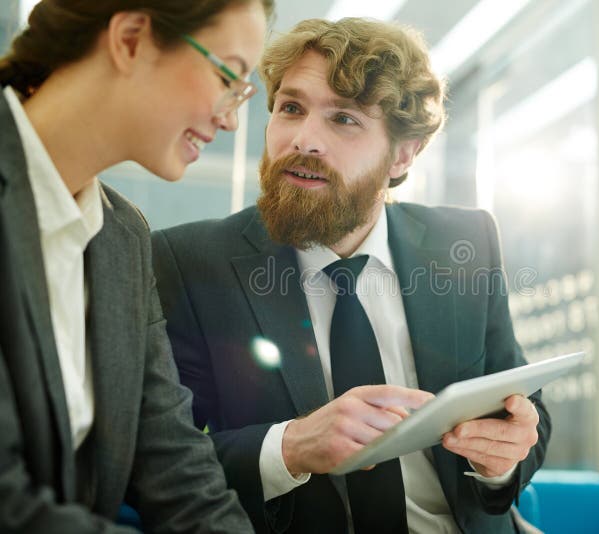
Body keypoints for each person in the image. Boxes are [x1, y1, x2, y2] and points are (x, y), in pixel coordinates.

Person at [152, 17, 551, 533]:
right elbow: (159, 460)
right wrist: (290, 447)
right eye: (291, 108)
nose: (304, 140)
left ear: (402, 154)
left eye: (343, 119)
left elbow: (523, 409)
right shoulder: (190, 261)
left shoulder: (466, 244)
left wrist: (502, 459)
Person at [0, 1, 273, 532]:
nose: (231, 119)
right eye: (227, 77)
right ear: (130, 39)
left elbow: (175, 464)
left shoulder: (121, 237)